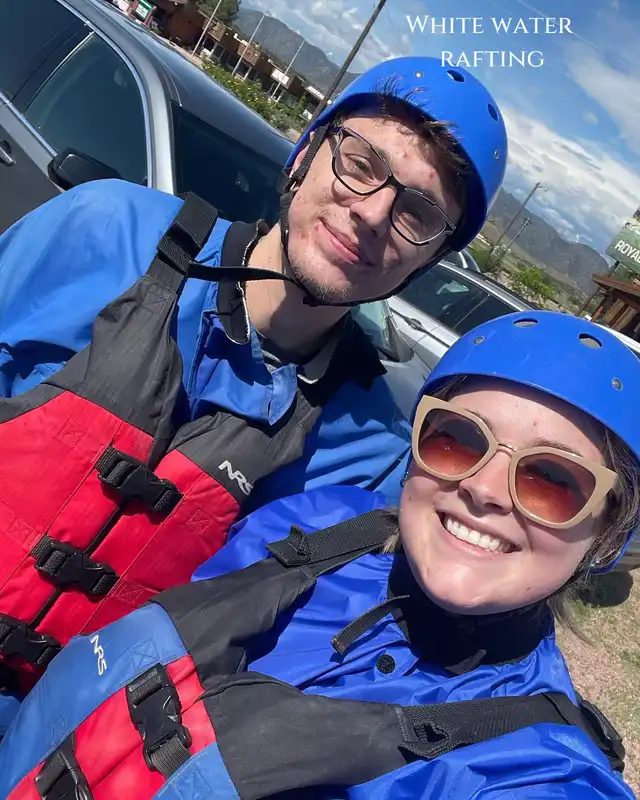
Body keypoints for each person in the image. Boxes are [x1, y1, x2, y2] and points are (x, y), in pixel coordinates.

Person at [1, 310, 637, 798]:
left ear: (607, 536)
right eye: (458, 440)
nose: (483, 488)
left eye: (553, 480)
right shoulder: (316, 520)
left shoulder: (536, 771)